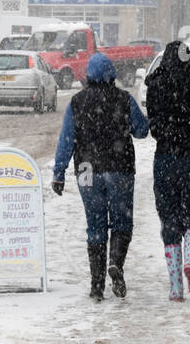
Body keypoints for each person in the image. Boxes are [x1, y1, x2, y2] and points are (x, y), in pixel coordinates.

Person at [51, 53, 150, 299]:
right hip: (120, 168)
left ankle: (96, 285)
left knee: (94, 225)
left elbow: (66, 139)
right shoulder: (124, 99)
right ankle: (115, 261)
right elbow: (142, 131)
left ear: (88, 75)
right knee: (121, 221)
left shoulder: (77, 102)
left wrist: (59, 172)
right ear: (112, 75)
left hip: (87, 171)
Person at [145, 38, 190, 302]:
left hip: (165, 159)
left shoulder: (156, 82)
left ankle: (175, 287)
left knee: (169, 220)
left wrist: (169, 136)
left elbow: (154, 126)